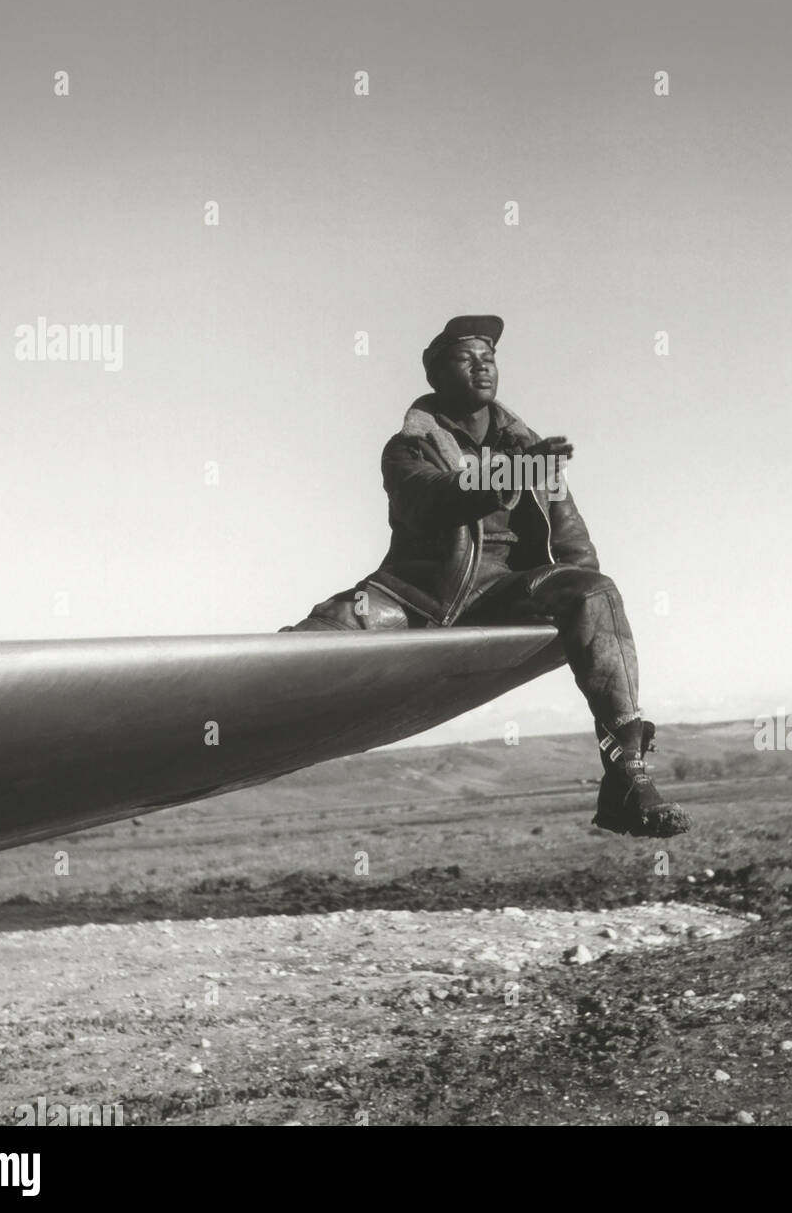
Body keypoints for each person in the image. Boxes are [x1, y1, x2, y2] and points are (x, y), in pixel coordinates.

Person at [281, 315, 690, 838]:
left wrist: (590, 610)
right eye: (466, 358)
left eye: (489, 357)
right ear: (436, 376)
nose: (482, 366)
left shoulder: (529, 448)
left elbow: (571, 543)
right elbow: (428, 501)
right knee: (313, 643)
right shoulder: (409, 447)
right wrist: (508, 476)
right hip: (416, 593)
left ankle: (626, 776)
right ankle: (226, 720)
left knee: (597, 591)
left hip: (505, 592)